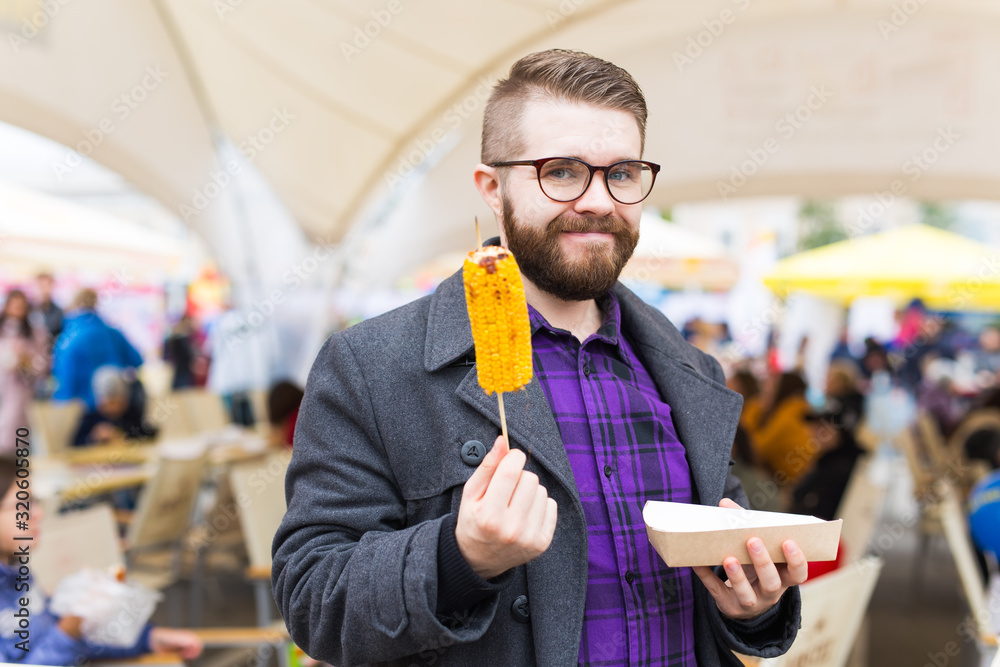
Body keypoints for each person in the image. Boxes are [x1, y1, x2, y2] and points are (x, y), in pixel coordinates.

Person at [272, 50, 804, 667]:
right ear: (492, 189)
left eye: (622, 173)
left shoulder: (688, 370)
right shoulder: (372, 367)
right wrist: (460, 556)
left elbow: (721, 578)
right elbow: (312, 600)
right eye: (562, 171)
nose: (600, 201)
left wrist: (754, 605)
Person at [0, 458, 203, 664]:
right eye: (22, 505)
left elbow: (65, 639)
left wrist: (148, 639)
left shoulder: (16, 570)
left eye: (35, 502)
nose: (38, 514)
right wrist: (68, 630)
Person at [52, 289, 143, 410]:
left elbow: (63, 378)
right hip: (115, 405)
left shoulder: (68, 339)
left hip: (82, 408)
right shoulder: (113, 333)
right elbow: (137, 360)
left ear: (75, 304)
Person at [745, 372, 816, 485]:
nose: (767, 387)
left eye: (773, 384)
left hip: (788, 486)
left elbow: (756, 449)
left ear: (783, 388)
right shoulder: (794, 411)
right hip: (787, 480)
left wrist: (754, 408)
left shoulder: (788, 416)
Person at [0, 290, 48, 454]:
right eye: (14, 306)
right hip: (4, 391)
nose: (17, 311)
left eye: (21, 307)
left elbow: (43, 366)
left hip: (23, 395)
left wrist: (27, 362)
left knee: (18, 438)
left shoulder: (36, 334)